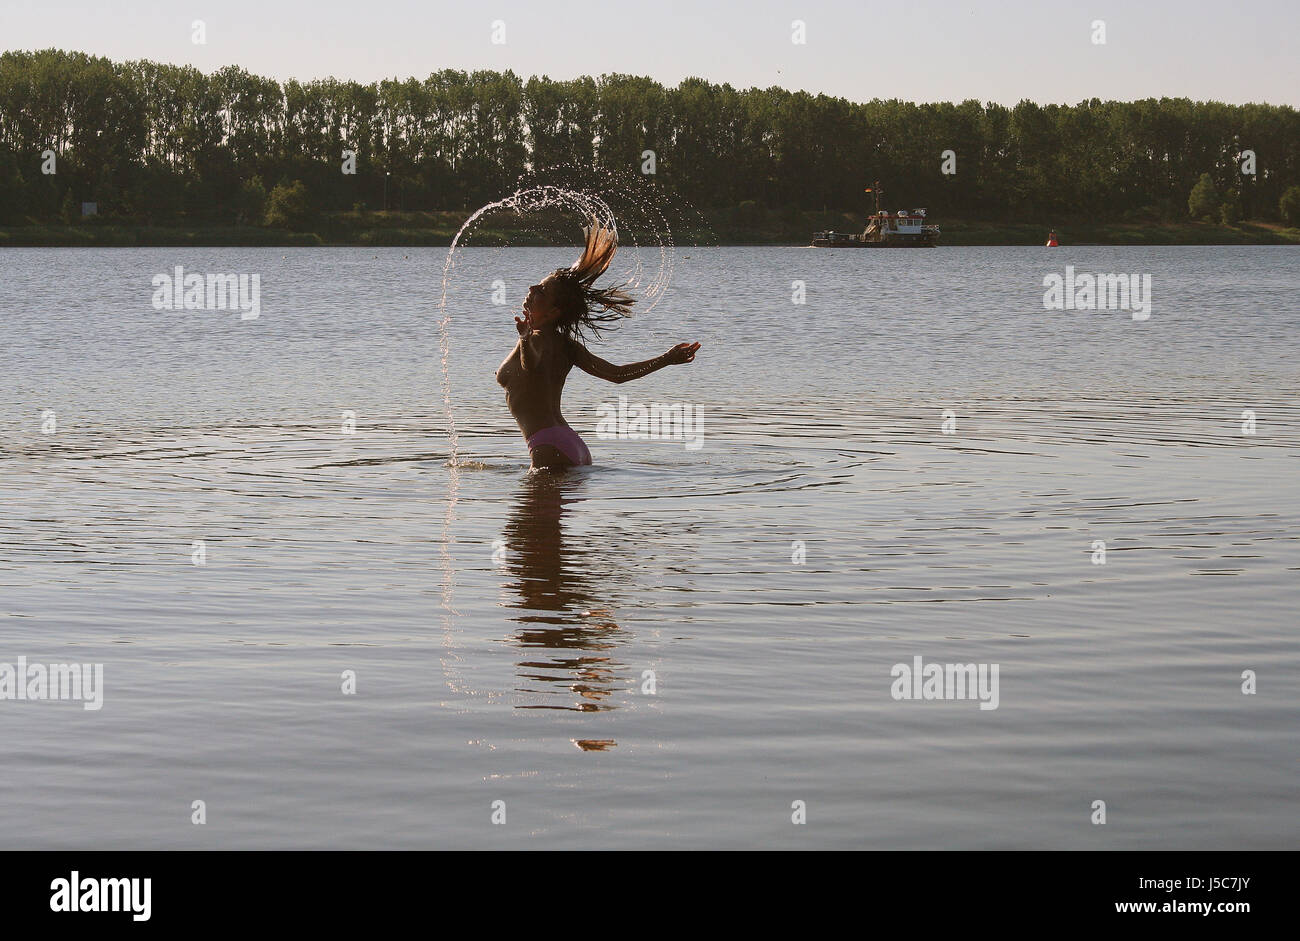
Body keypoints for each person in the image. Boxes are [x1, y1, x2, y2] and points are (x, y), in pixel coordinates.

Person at [495, 220, 701, 469]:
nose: (531, 288)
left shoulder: (535, 338)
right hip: (571, 444)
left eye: (541, 290)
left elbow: (531, 367)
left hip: (547, 446)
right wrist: (665, 359)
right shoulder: (565, 345)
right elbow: (618, 375)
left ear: (553, 312)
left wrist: (524, 339)